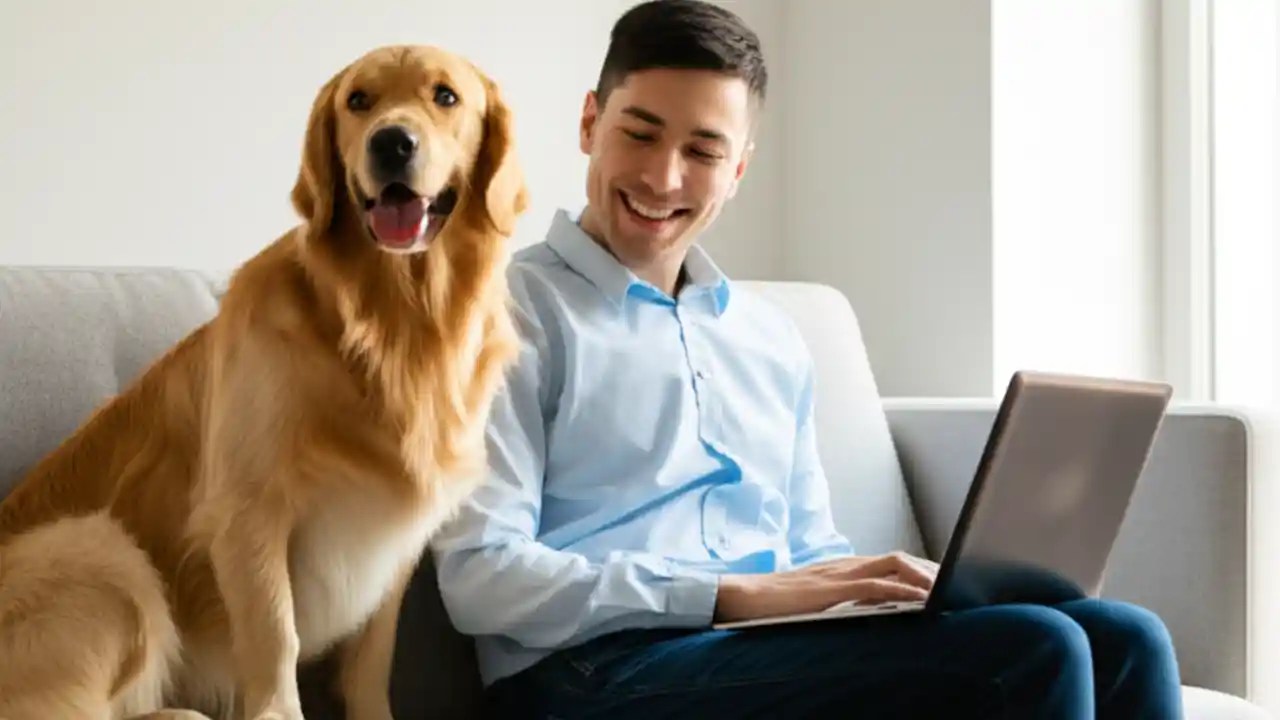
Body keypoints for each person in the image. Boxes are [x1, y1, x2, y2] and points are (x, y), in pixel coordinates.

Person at [428, 1, 1185, 717]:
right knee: (1034, 650)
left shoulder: (769, 336)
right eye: (640, 133)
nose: (663, 177)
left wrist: (875, 594)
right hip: (584, 675)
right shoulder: (505, 312)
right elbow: (482, 577)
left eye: (702, 150)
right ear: (591, 122)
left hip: (755, 655)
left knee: (1126, 638)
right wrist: (733, 594)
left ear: (739, 169)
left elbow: (812, 549)